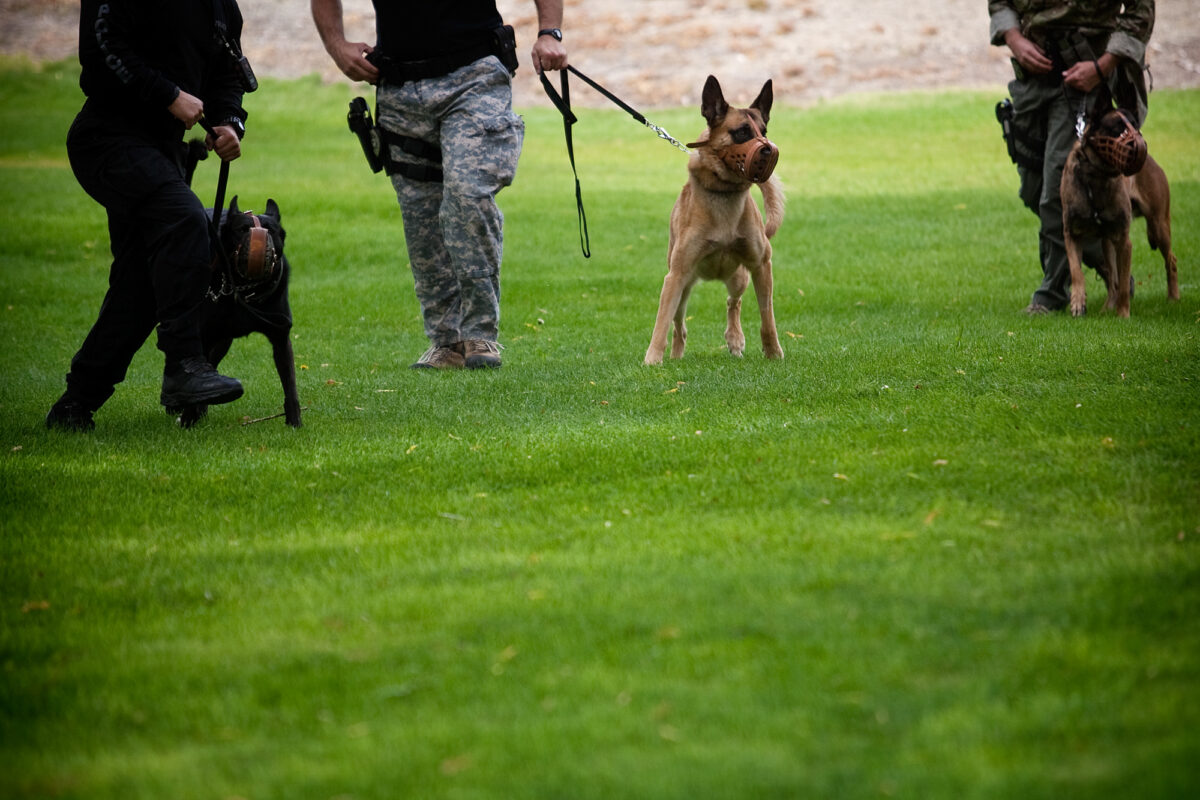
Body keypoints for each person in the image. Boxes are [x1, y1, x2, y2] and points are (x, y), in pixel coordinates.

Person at [311, 0, 569, 369]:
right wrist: (337, 46)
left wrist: (549, 32)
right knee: (421, 221)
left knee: (468, 196)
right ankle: (445, 343)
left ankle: (480, 333)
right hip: (399, 88)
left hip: (474, 76)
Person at [46, 0, 252, 431]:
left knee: (141, 281)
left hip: (162, 149)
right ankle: (184, 365)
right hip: (108, 138)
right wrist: (169, 95)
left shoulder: (219, 6)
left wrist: (230, 121)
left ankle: (75, 404)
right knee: (185, 220)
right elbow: (102, 52)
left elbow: (226, 73)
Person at [989, 0, 1154, 314]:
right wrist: (1015, 39)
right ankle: (1112, 269)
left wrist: (1103, 66)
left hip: (1086, 73)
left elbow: (1141, 10)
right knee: (1032, 188)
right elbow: (1000, 3)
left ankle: (1052, 293)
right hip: (1033, 82)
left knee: (1056, 191)